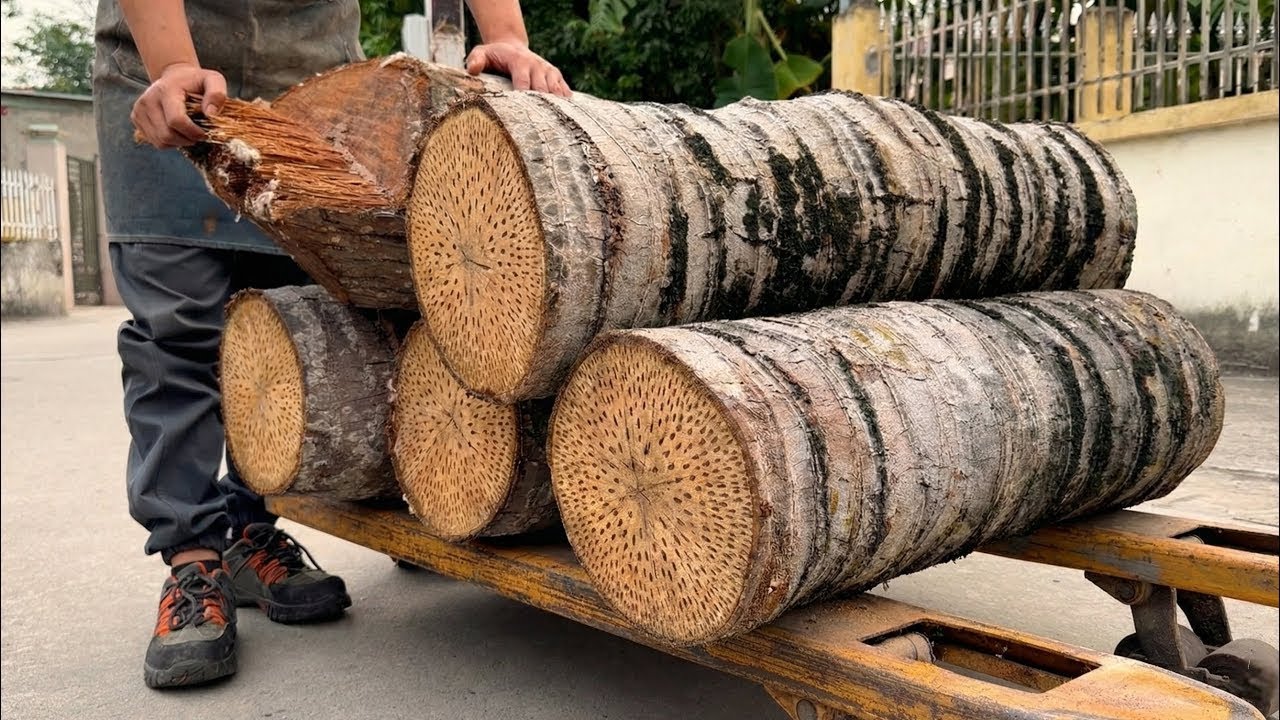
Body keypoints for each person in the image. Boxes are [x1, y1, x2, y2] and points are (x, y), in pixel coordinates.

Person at [93, 0, 571, 690]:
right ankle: (193, 557)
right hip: (162, 71)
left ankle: (250, 532)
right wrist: (171, 64)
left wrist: (506, 40)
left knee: (291, 324)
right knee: (177, 330)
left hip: (309, 82)